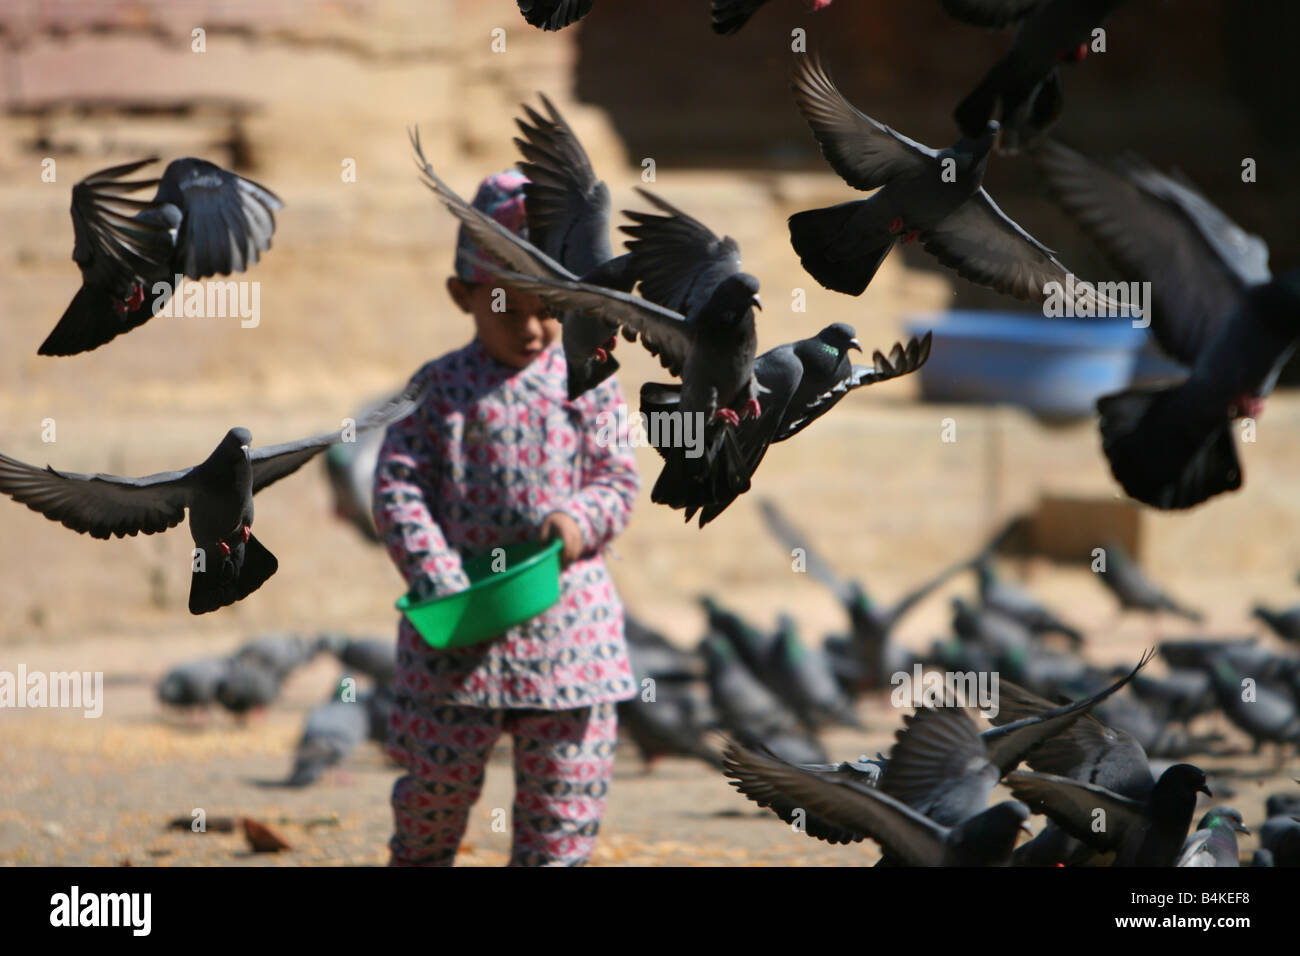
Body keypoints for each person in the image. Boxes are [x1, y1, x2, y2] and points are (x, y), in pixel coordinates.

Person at [373, 170, 640, 866]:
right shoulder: (434, 390)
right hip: (456, 636)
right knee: (432, 804)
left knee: (563, 815)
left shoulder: (592, 378)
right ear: (462, 296)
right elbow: (398, 487)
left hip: (569, 639)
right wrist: (436, 576)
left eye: (549, 307)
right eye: (507, 308)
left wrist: (578, 521)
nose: (532, 327)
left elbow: (617, 479)